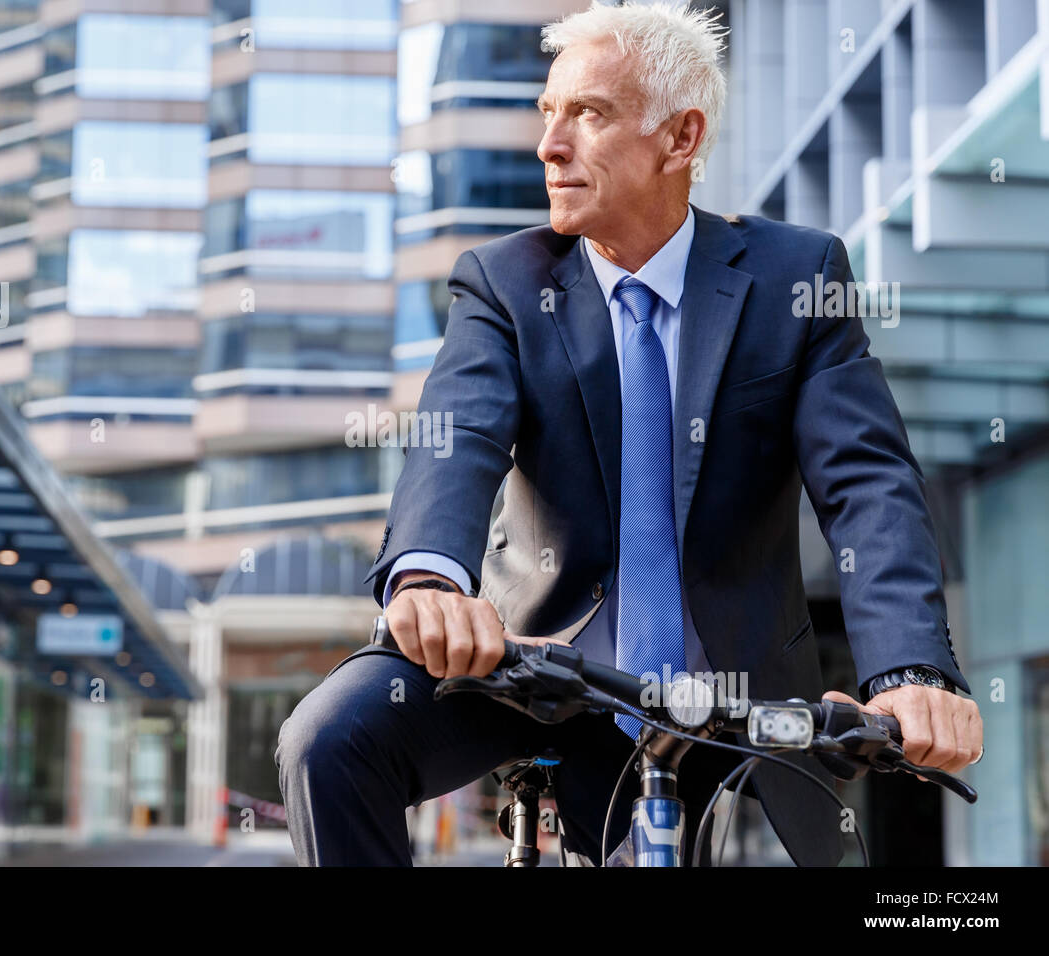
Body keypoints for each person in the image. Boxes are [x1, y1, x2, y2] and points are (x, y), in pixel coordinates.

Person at [276, 0, 983, 866]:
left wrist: (913, 672)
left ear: (679, 140)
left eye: (590, 113)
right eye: (548, 113)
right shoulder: (504, 283)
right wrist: (429, 576)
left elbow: (868, 484)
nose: (550, 145)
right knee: (330, 739)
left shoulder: (796, 277)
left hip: (730, 689)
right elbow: (456, 436)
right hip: (532, 669)